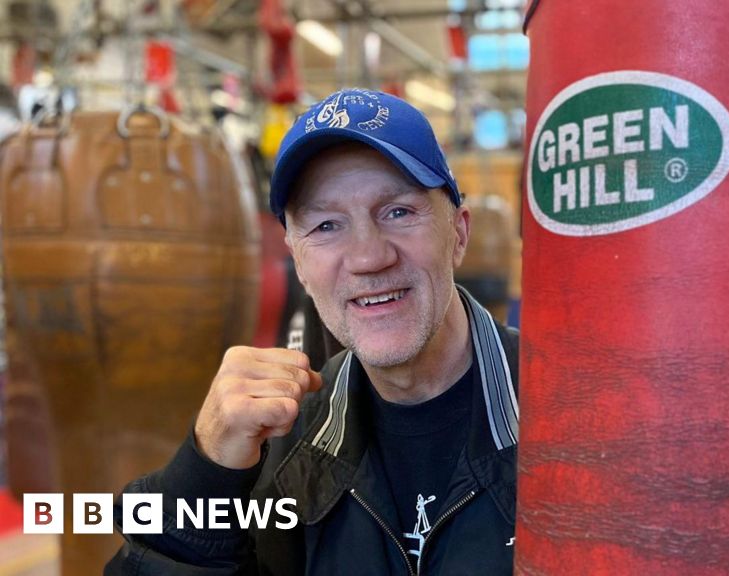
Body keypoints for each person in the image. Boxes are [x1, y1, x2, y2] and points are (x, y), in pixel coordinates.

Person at [106, 88, 519, 575]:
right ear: (298, 262)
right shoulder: (282, 445)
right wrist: (205, 474)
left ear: (459, 234)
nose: (368, 257)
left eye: (398, 212)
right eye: (326, 226)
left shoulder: (575, 411)